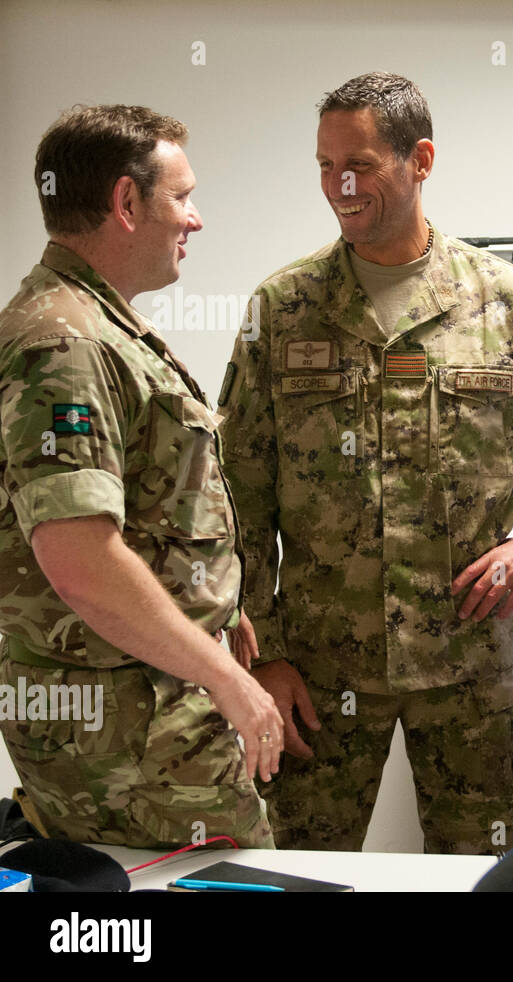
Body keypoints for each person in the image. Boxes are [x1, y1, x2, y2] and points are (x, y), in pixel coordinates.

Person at [218, 72, 513, 854]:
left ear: (420, 159)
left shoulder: (506, 303)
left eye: (358, 165)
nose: (339, 186)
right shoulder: (282, 309)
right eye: (323, 166)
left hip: (470, 670)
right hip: (319, 676)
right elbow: (236, 492)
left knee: (475, 880)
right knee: (298, 875)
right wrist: (267, 654)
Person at [0, 105, 281, 848]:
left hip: (138, 702)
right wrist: (226, 680)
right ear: (127, 204)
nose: (195, 220)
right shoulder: (66, 341)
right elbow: (80, 560)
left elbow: (148, 505)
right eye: (181, 198)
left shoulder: (97, 324)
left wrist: (218, 601)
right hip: (133, 725)